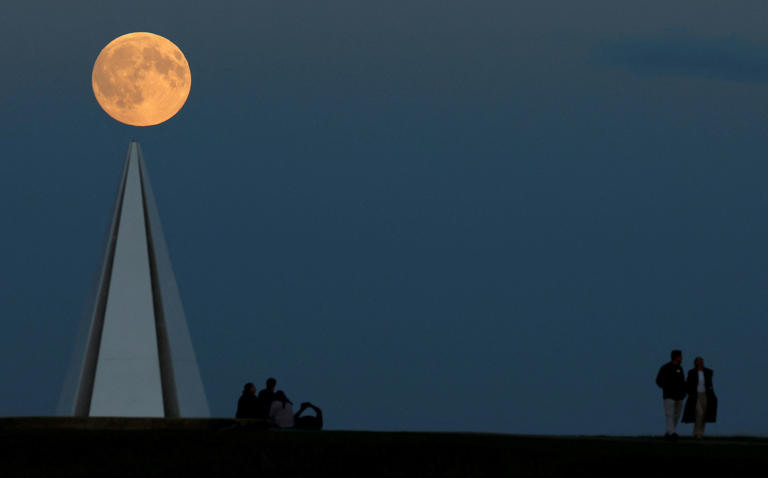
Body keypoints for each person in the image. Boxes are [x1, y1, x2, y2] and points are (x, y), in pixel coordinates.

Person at [682, 357, 717, 439]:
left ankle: (701, 433)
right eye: (698, 362)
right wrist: (687, 392)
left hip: (705, 395)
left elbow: (710, 384)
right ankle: (697, 433)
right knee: (699, 413)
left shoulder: (708, 372)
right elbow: (688, 383)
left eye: (701, 361)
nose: (700, 363)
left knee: (704, 414)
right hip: (696, 395)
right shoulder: (692, 372)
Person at [656, 350, 686, 440]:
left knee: (677, 415)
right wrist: (667, 387)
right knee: (669, 414)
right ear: (676, 357)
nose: (682, 358)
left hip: (679, 396)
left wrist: (684, 391)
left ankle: (669, 432)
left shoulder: (680, 368)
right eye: (680, 357)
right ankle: (671, 433)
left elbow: (682, 381)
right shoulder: (665, 367)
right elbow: (658, 380)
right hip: (669, 395)